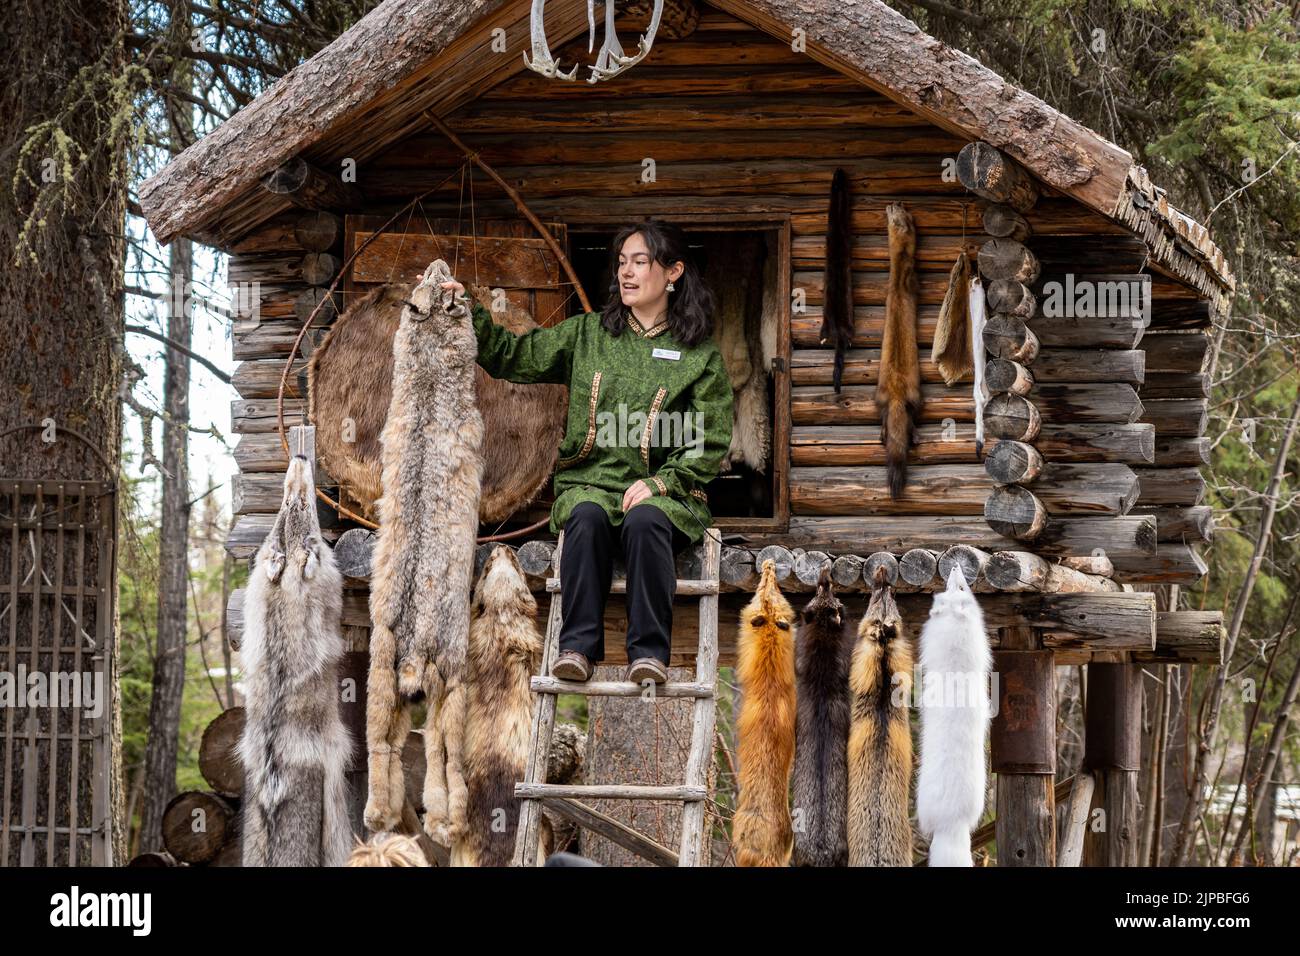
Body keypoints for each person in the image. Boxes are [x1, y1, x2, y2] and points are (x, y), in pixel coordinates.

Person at [441, 218, 733, 685]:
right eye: (622, 263)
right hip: (591, 483)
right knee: (586, 517)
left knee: (645, 521)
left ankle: (648, 654)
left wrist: (661, 482)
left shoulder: (699, 356)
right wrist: (466, 310)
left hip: (665, 495)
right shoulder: (587, 335)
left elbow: (710, 440)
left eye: (641, 262)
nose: (627, 273)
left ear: (673, 272)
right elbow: (512, 358)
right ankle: (576, 648)